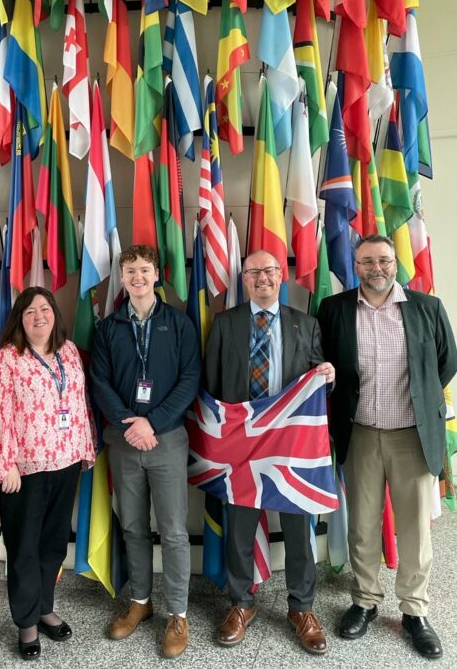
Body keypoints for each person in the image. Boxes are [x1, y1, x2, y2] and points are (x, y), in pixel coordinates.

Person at [317, 234, 457, 659]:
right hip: (359, 432)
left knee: (414, 527)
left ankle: (414, 611)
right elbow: (323, 361)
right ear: (355, 266)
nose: (376, 267)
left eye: (383, 260)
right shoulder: (334, 309)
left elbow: (446, 362)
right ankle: (364, 601)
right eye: (366, 261)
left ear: (396, 264)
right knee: (362, 523)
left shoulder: (426, 308)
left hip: (412, 435)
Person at [203, 250, 335, 655]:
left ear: (282, 276)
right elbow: (211, 387)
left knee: (299, 529)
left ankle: (302, 608)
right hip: (242, 446)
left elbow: (316, 388)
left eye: (270, 271)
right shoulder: (224, 324)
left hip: (291, 446)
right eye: (254, 272)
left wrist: (327, 376)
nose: (263, 278)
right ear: (243, 279)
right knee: (240, 527)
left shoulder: (306, 323)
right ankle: (241, 603)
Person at [90, 244, 201, 660]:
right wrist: (129, 424)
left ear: (157, 275)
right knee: (133, 526)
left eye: (145, 269)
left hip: (167, 437)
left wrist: (152, 422)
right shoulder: (109, 327)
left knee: (173, 530)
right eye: (130, 270)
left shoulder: (179, 323)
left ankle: (177, 612)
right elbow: (98, 381)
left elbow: (191, 378)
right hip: (123, 439)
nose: (137, 277)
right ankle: (140, 600)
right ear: (122, 278)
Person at [0, 287, 96, 661]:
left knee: (52, 545)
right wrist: (4, 464)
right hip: (23, 472)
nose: (39, 316)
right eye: (30, 312)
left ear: (55, 315)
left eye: (45, 309)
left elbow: (78, 403)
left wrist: (84, 448)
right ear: (20, 319)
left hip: (65, 465)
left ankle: (45, 608)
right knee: (25, 549)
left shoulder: (69, 353)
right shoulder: (6, 361)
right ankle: (26, 623)